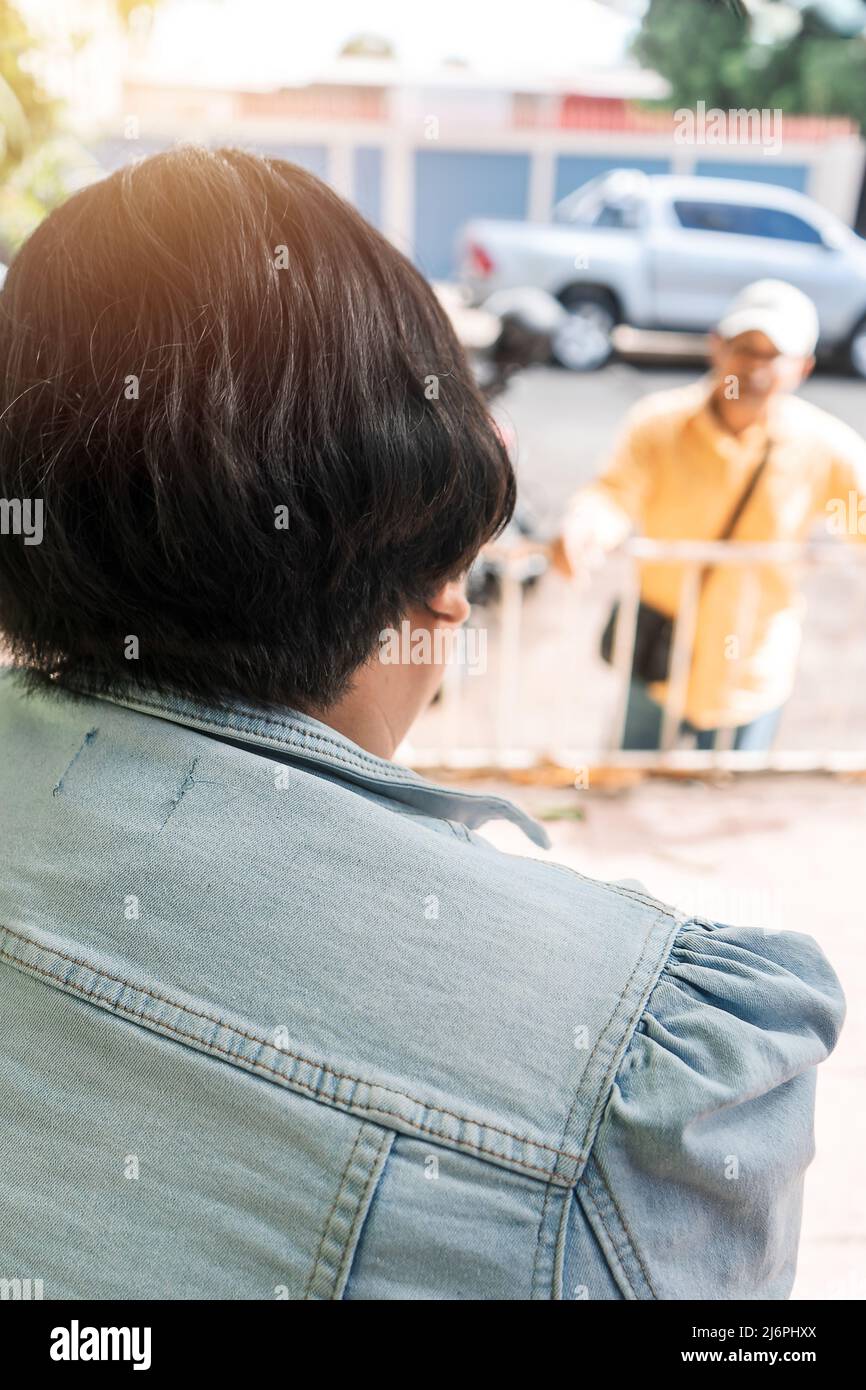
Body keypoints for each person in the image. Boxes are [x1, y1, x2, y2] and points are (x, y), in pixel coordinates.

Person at [0, 150, 845, 1300]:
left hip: (745, 659)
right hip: (666, 647)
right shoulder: (641, 1081)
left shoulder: (816, 449)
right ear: (442, 582)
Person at [555, 280, 866, 751]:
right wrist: (585, 525)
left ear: (802, 368)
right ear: (717, 347)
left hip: (750, 676)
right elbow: (613, 494)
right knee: (621, 791)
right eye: (745, 348)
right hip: (659, 663)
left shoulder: (826, 447)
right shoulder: (658, 423)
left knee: (724, 812)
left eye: (773, 355)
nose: (755, 367)